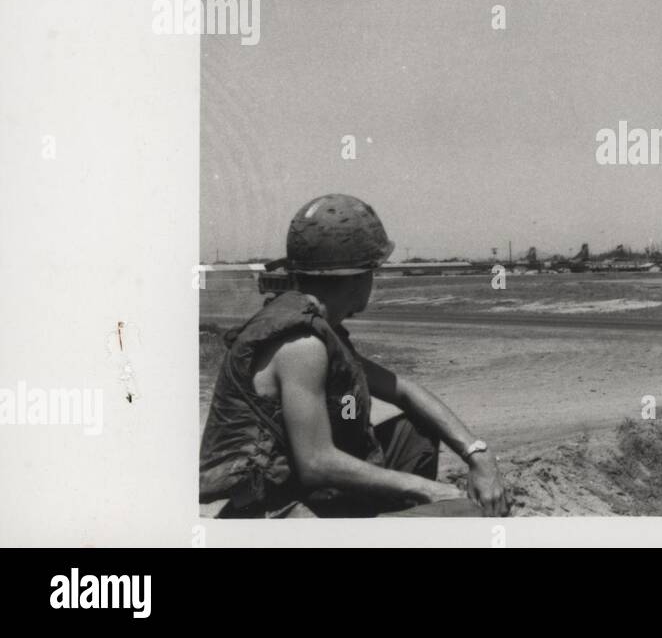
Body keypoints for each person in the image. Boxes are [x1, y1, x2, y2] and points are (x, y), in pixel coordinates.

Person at [200, 194, 510, 518]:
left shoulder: (315, 325)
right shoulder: (303, 345)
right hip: (277, 511)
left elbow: (402, 389)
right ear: (357, 276)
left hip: (300, 488)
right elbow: (316, 464)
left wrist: (477, 453)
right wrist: (429, 489)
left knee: (413, 431)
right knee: (469, 516)